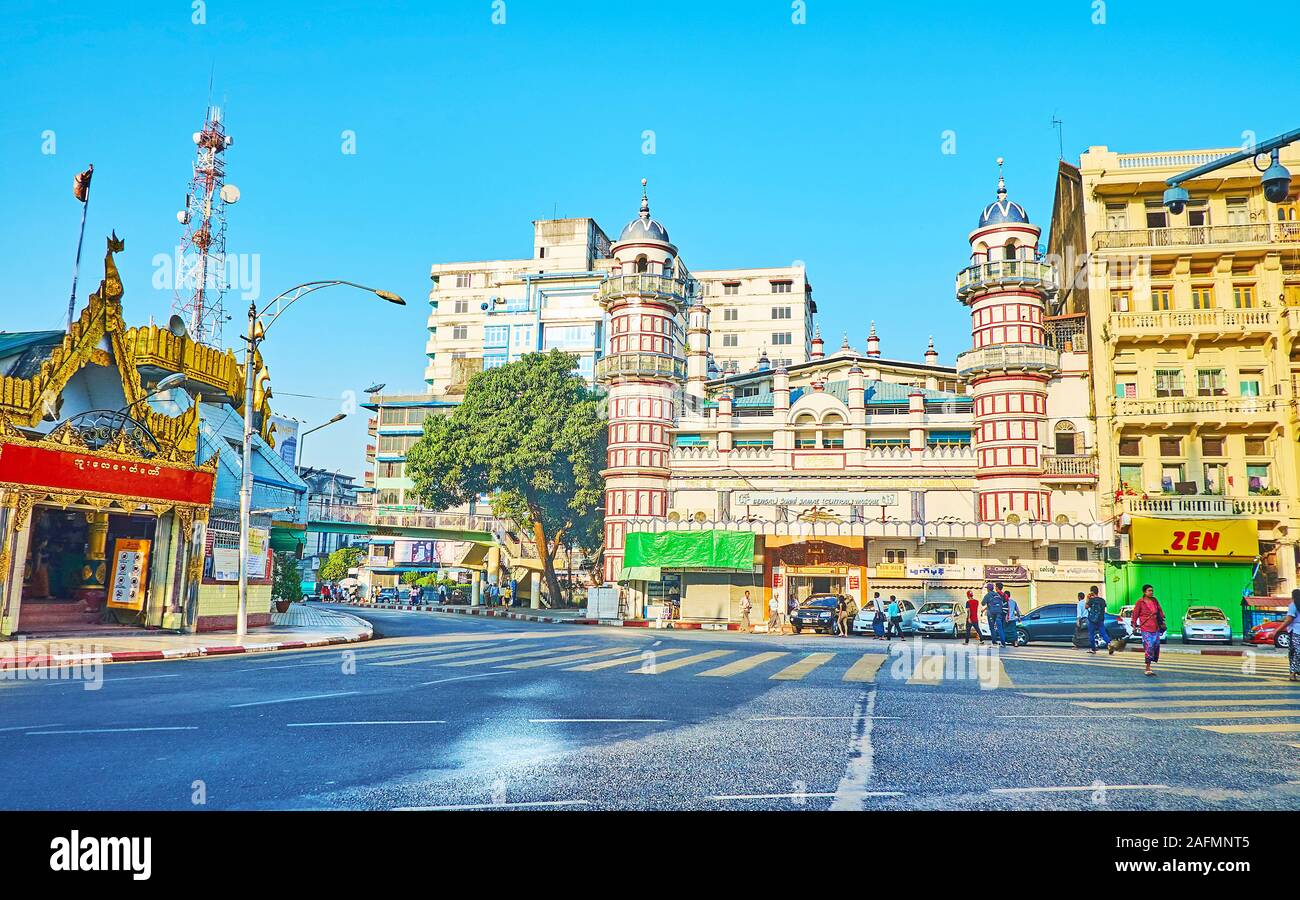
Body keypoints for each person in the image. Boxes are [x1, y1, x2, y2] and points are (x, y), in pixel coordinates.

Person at [1128, 583, 1165, 676]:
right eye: (1149, 591)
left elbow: (1160, 611)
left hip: (1155, 627)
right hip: (1146, 628)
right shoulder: (1140, 602)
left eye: (1152, 590)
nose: (1151, 592)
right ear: (1144, 592)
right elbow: (1135, 614)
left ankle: (1151, 662)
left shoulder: (1155, 600)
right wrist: (1134, 624)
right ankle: (1147, 668)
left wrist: (1162, 621)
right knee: (1149, 646)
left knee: (1156, 646)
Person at [1279, 589, 1300, 682]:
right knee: (1296, 652)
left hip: (1295, 632)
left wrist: (1276, 630)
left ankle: (1293, 672)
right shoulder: (1294, 606)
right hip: (1295, 631)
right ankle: (1293, 672)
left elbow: (1288, 620)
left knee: (1295, 652)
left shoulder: (1293, 605)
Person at [1085, 585, 1108, 654]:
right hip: (1100, 620)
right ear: (1098, 592)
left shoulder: (1091, 600)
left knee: (1091, 634)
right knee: (1103, 633)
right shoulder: (1102, 600)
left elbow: (1086, 607)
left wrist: (1088, 599)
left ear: (1092, 592)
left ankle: (1093, 649)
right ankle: (1109, 644)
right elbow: (1104, 607)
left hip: (1092, 620)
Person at [983, 582, 1006, 647]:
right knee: (1000, 628)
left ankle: (994, 642)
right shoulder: (997, 594)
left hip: (991, 614)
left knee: (992, 628)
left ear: (988, 589)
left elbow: (983, 603)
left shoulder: (987, 595)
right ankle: (1003, 643)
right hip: (999, 613)